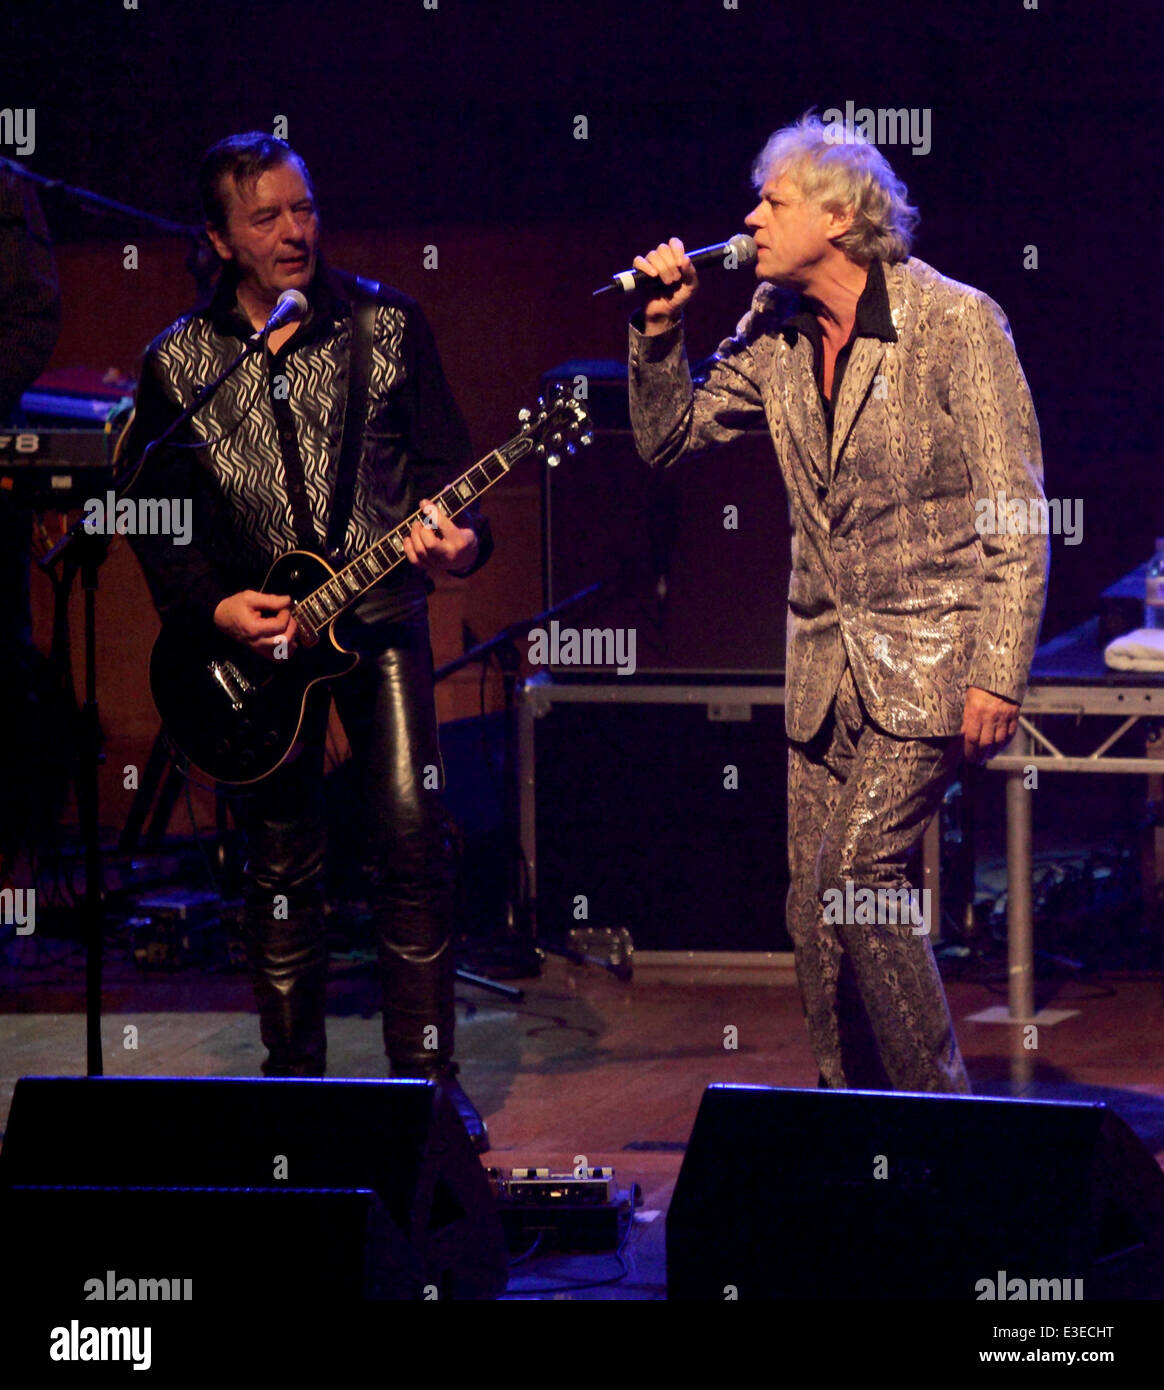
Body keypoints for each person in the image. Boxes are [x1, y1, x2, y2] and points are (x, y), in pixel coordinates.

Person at [627, 114, 1048, 1092]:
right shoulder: (773, 330)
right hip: (823, 671)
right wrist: (657, 334)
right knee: (816, 916)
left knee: (860, 874)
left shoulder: (957, 323)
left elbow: (1017, 515)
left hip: (934, 659)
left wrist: (998, 670)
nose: (751, 218)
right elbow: (669, 438)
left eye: (772, 201)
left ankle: (946, 1124)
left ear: (841, 212)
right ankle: (852, 1122)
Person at [126, 134, 493, 1147]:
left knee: (413, 843)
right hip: (256, 651)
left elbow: (449, 474)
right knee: (282, 862)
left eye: (306, 209)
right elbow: (155, 516)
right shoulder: (180, 361)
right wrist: (211, 609)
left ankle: (429, 1094)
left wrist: (459, 545)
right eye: (267, 218)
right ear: (219, 239)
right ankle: (293, 1094)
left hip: (379, 623)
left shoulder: (387, 325)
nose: (295, 232)